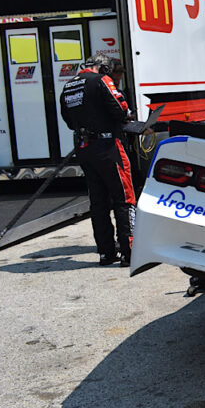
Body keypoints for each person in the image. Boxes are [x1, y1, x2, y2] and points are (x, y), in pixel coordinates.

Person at [60, 52, 136, 267]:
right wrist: (126, 116)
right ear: (103, 68)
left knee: (98, 203)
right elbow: (121, 110)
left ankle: (106, 253)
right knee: (124, 198)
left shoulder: (68, 86)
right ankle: (129, 252)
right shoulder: (103, 80)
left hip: (85, 149)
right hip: (109, 147)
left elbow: (67, 120)